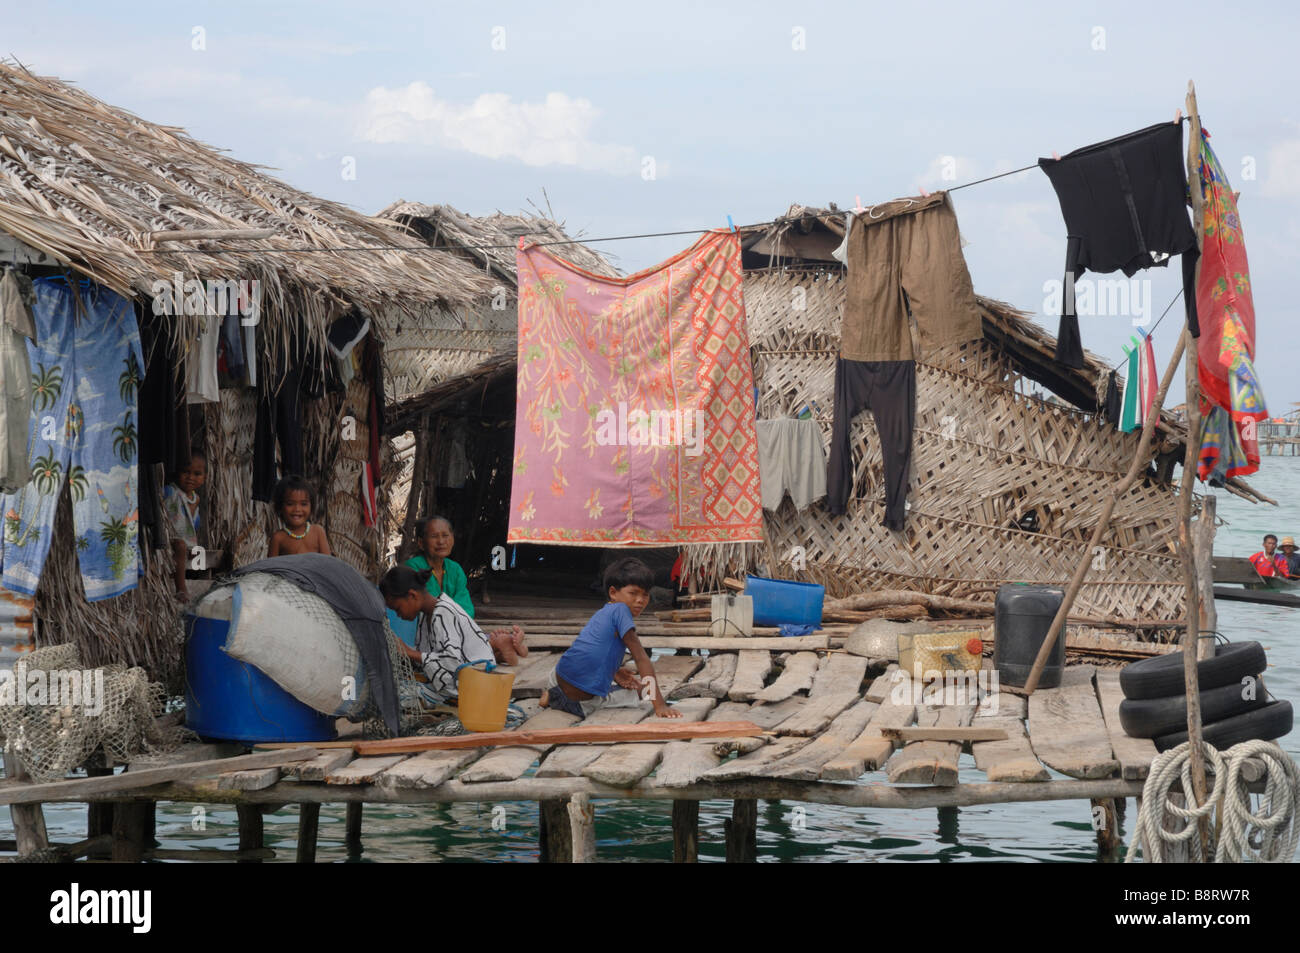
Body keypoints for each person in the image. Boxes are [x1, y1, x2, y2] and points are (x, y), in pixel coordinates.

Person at [539, 556, 680, 720]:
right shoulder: (622, 610)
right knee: (642, 691)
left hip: (557, 677)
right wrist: (660, 705)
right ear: (613, 593)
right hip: (580, 703)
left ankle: (552, 695)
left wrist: (614, 672)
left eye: (645, 595)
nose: (640, 600)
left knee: (617, 683)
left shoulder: (604, 612)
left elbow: (590, 650)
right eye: (633, 593)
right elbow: (641, 658)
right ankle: (557, 699)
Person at [404, 515, 527, 664]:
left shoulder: (454, 569)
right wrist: (453, 615)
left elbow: (467, 609)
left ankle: (500, 647)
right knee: (451, 648)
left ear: (452, 540)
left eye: (445, 535)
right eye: (434, 536)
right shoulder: (413, 567)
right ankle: (495, 645)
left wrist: (455, 617)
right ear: (421, 543)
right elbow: (430, 607)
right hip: (428, 630)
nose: (441, 541)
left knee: (460, 634)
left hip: (456, 630)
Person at [379, 565, 494, 703]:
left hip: (477, 685)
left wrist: (410, 653)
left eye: (398, 609)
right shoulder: (425, 616)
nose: (399, 615)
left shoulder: (443, 613)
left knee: (398, 695)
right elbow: (433, 656)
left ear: (412, 595)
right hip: (464, 683)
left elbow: (453, 663)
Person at [163, 451, 206, 601]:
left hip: (185, 538)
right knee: (181, 547)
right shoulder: (170, 491)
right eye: (186, 472)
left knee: (197, 551)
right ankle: (181, 588)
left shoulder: (196, 499)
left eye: (197, 473)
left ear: (204, 477)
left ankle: (195, 580)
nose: (190, 477)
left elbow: (193, 524)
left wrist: (193, 509)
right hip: (169, 536)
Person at [268, 476, 332, 556]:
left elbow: (328, 563)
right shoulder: (278, 538)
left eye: (303, 504)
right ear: (280, 507)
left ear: (311, 506)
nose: (297, 509)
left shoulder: (318, 532)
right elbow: (271, 567)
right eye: (290, 504)